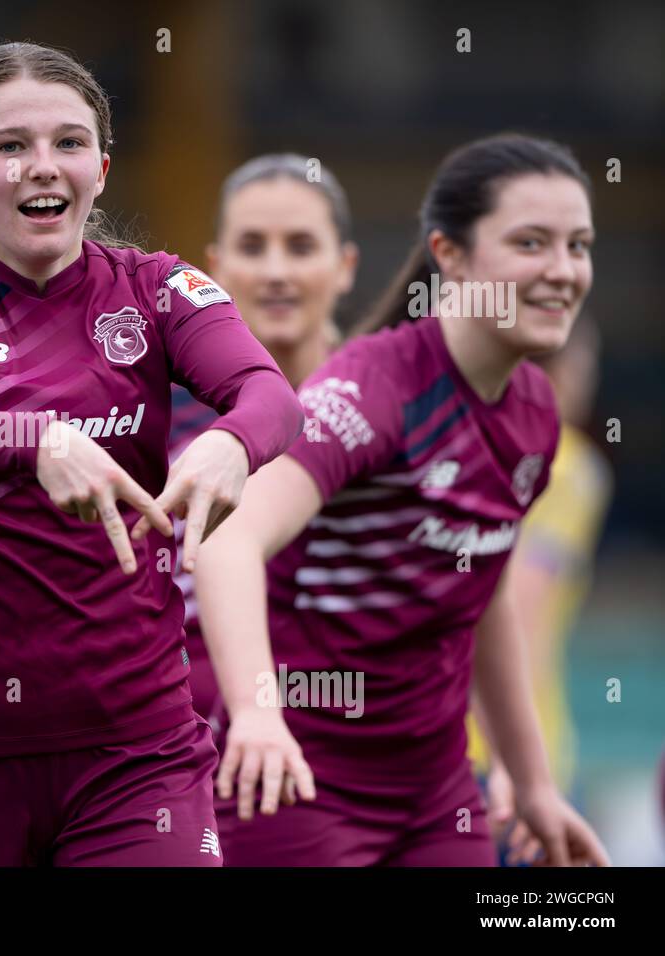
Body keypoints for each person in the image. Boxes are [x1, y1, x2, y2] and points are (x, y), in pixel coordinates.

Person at [0, 41, 302, 866]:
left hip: (137, 749)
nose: (41, 167)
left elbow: (270, 398)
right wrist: (38, 441)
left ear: (101, 167)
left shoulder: (159, 288)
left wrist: (233, 444)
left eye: (68, 143)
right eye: (9, 146)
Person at [195, 133, 610, 866]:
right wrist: (258, 713)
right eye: (530, 243)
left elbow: (483, 599)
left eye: (577, 246)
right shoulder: (372, 387)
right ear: (449, 255)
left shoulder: (536, 413)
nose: (561, 271)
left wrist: (535, 782)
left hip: (438, 794)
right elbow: (229, 541)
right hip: (299, 782)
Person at [169, 154, 358, 728]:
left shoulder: (386, 408)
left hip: (349, 749)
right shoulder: (154, 410)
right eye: (253, 247)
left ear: (345, 265)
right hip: (184, 754)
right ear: (216, 266)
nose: (276, 270)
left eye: (301, 246)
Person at [470, 319, 613, 863]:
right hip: (516, 759)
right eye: (585, 365)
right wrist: (529, 769)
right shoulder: (570, 466)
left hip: (442, 755)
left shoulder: (465, 449)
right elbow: (520, 612)